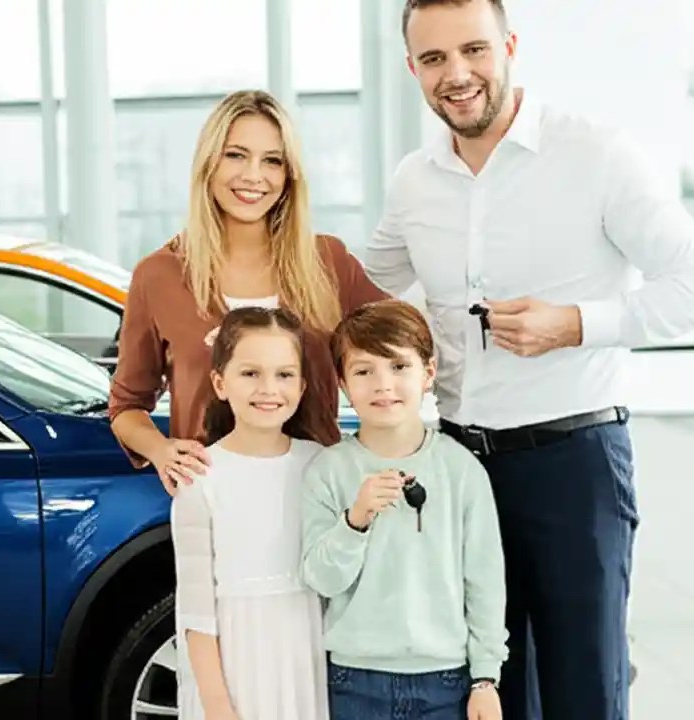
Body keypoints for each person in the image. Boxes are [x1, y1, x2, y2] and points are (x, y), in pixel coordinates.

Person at [364, 1, 694, 718]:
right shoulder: (415, 180)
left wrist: (573, 325)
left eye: (474, 50)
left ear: (510, 46)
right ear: (413, 69)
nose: (457, 74)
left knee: (583, 690)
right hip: (460, 471)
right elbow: (359, 285)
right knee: (485, 689)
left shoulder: (595, 154)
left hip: (574, 463)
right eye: (434, 59)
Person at [108, 89, 389, 495]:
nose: (253, 176)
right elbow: (126, 405)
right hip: (214, 498)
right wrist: (162, 450)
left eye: (272, 160)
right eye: (236, 155)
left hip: (322, 500)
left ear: (288, 175)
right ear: (209, 162)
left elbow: (398, 357)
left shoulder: (329, 262)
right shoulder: (159, 275)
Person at [300, 299, 506, 720]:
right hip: (353, 678)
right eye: (363, 371)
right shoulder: (328, 471)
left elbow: (484, 582)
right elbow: (321, 579)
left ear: (428, 373)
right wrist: (355, 521)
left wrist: (486, 679)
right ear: (342, 382)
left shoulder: (461, 470)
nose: (382, 384)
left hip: (445, 679)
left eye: (398, 367)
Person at [172, 306, 330, 719]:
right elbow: (195, 610)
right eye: (250, 373)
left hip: (305, 661)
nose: (268, 389)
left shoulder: (322, 466)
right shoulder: (200, 476)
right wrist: (217, 704)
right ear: (220, 383)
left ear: (302, 385)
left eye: (283, 374)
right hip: (233, 669)